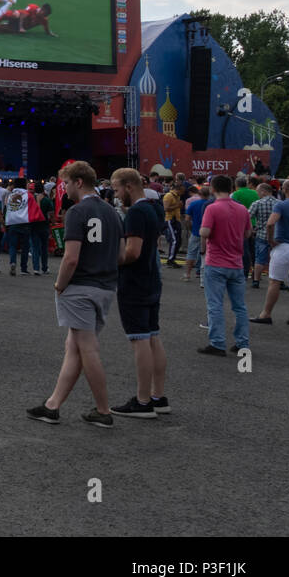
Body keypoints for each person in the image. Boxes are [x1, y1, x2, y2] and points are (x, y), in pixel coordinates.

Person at [27, 160, 122, 428]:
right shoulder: (112, 213)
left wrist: (59, 285)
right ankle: (52, 405)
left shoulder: (77, 213)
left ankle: (103, 410)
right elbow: (122, 254)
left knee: (87, 348)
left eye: (66, 183)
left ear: (78, 182)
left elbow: (70, 258)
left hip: (80, 287)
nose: (64, 188)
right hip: (105, 287)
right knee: (74, 347)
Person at [108, 169, 169, 418]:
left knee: (139, 339)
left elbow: (132, 252)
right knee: (153, 336)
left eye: (116, 190)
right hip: (152, 279)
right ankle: (158, 396)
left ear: (129, 186)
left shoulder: (135, 212)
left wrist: (109, 260)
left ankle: (143, 401)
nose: (116, 195)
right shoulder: (153, 208)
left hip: (135, 282)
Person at [197, 175, 251, 356]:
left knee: (215, 305)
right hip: (236, 262)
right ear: (231, 187)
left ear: (213, 188)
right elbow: (248, 233)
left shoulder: (212, 209)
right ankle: (242, 342)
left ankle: (218, 343)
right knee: (240, 306)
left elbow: (205, 232)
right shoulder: (242, 209)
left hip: (216, 262)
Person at [252, 178, 289, 326]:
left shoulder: (281, 205)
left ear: (285, 190)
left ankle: (266, 314)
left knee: (275, 281)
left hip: (283, 245)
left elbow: (271, 223)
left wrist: (271, 240)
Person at [3, 177, 31, 276]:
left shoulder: (10, 196)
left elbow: (6, 209)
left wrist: (5, 223)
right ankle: (23, 268)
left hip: (12, 223)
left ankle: (13, 262)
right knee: (25, 247)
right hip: (25, 223)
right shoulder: (28, 195)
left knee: (12, 246)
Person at [182, 185, 209, 284]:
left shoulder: (193, 204)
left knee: (191, 253)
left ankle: (187, 274)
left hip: (196, 231)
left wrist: (190, 228)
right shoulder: (212, 204)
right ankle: (202, 274)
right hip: (209, 233)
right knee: (206, 254)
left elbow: (187, 219)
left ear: (200, 194)